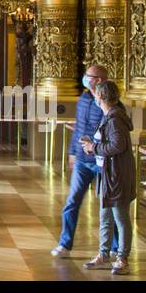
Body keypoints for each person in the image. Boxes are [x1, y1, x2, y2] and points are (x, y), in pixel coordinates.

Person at [51, 64, 119, 258]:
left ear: (98, 80)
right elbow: (80, 128)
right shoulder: (83, 99)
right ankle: (65, 244)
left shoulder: (112, 104)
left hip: (102, 161)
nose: (85, 78)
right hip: (82, 160)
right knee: (72, 202)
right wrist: (73, 152)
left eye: (88, 75)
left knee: (109, 206)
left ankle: (115, 248)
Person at [80, 80, 136, 275]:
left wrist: (93, 147)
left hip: (117, 175)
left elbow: (117, 146)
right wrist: (91, 145)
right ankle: (103, 255)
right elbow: (108, 143)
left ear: (101, 96)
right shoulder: (108, 117)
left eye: (95, 94)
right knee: (105, 217)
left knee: (120, 217)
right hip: (108, 174)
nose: (94, 97)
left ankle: (122, 258)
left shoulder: (114, 119)